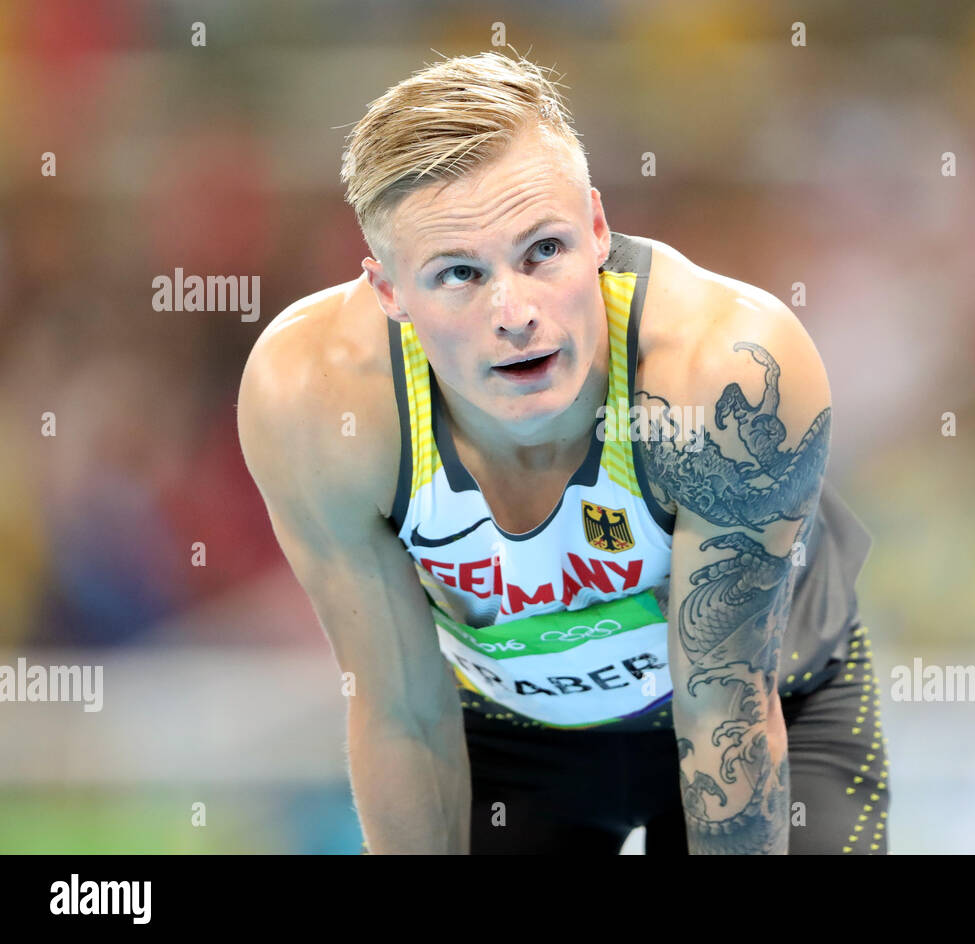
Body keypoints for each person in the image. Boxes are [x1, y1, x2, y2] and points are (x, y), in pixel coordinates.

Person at [237, 51, 887, 854]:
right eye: (459, 275)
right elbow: (401, 707)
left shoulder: (723, 375)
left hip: (767, 696)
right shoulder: (312, 398)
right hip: (512, 740)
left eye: (543, 251)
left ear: (598, 229)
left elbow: (726, 708)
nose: (515, 312)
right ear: (388, 294)